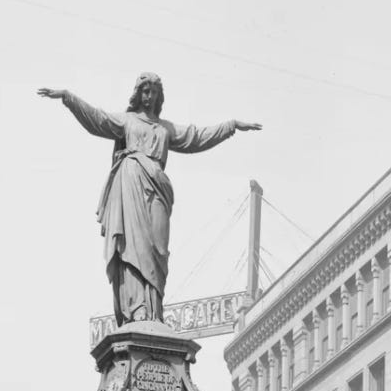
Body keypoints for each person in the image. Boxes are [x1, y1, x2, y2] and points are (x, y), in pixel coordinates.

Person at [38, 74, 261, 327]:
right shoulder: (128, 120)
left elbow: (196, 137)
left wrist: (230, 126)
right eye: (144, 91)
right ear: (138, 93)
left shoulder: (165, 128)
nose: (148, 96)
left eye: (153, 92)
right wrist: (69, 97)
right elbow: (97, 119)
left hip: (158, 187)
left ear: (159, 96)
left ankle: (155, 312)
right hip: (131, 183)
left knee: (157, 249)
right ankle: (138, 310)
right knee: (132, 248)